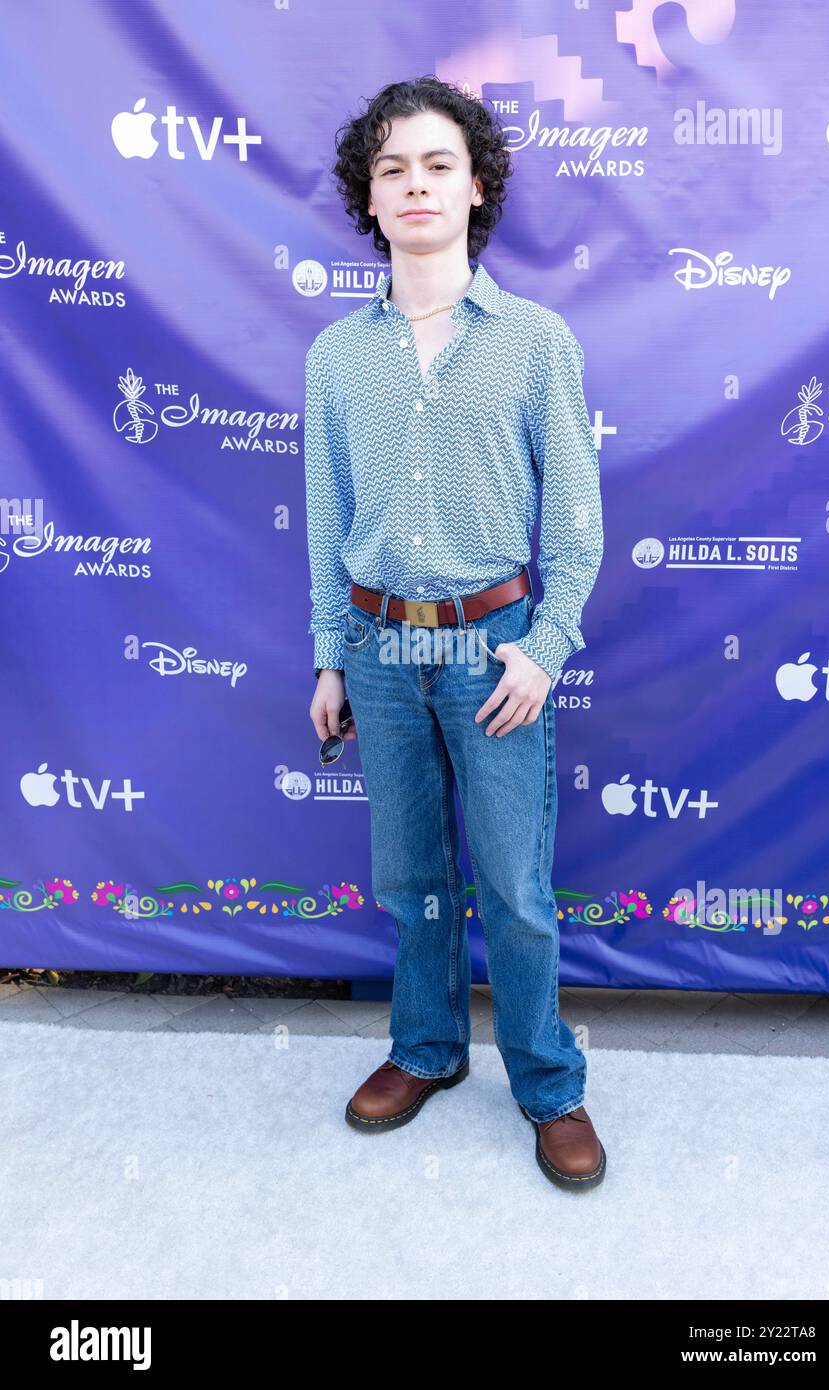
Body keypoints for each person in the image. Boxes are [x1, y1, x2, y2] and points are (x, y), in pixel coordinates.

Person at [304, 76, 605, 1190]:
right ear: (368, 200)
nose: (415, 184)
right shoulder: (335, 358)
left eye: (437, 163)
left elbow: (575, 525)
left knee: (515, 884)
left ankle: (547, 1083)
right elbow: (328, 520)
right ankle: (425, 1049)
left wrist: (545, 647)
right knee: (409, 875)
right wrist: (330, 655)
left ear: (475, 186)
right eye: (392, 168)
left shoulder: (533, 342)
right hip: (379, 655)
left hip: (495, 650)